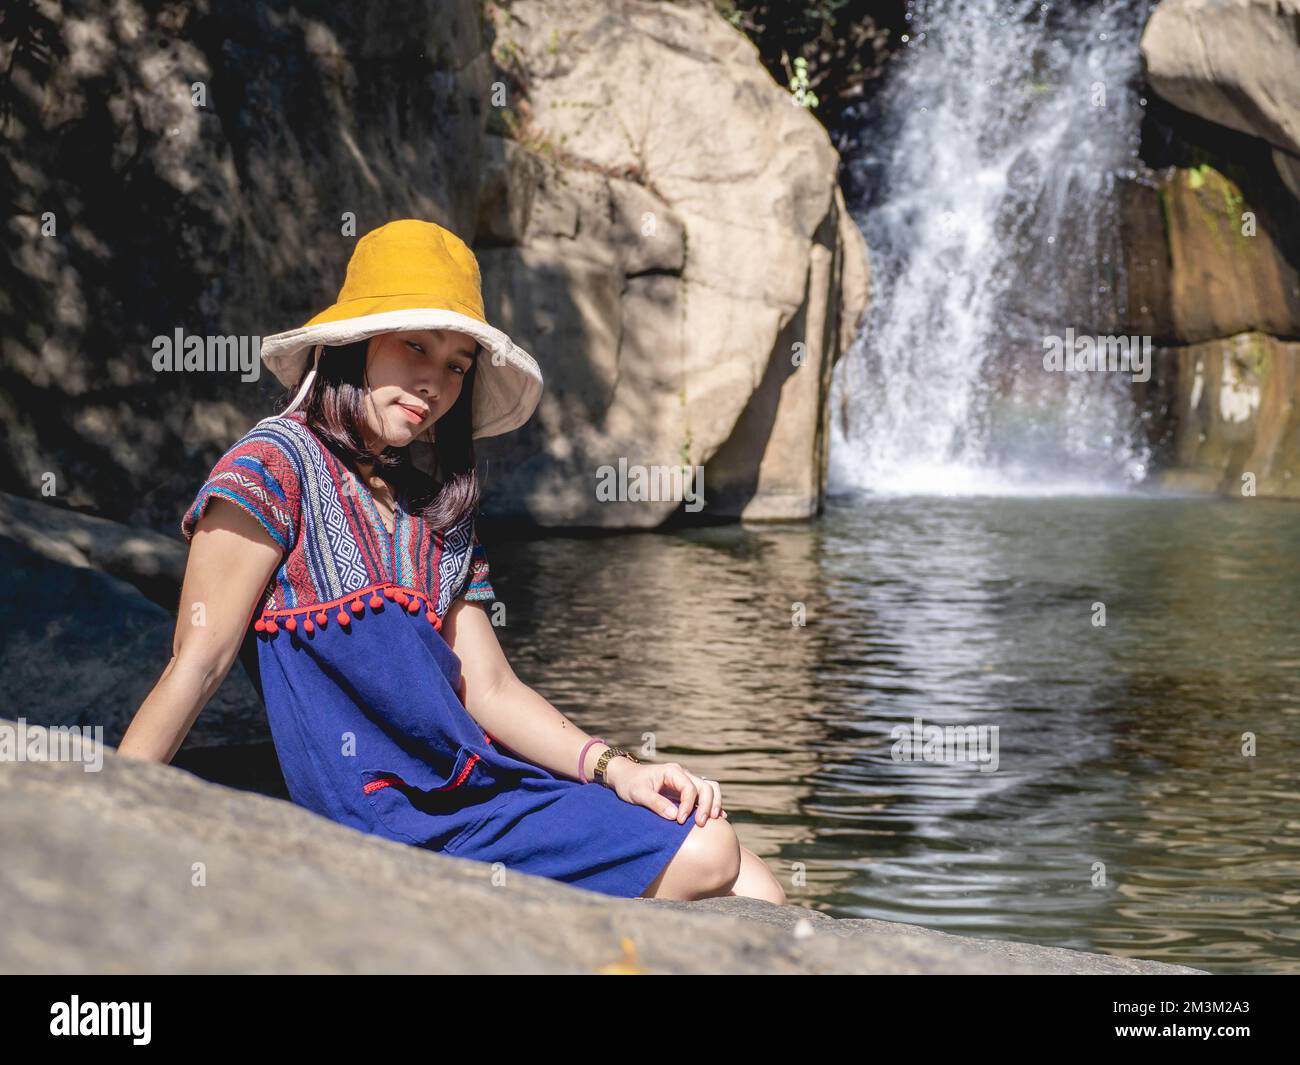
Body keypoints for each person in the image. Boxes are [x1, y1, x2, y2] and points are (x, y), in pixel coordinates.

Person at [119, 219, 786, 905]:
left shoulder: (434, 507)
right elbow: (198, 659)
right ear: (355, 344)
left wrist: (618, 767)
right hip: (388, 819)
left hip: (473, 790)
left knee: (756, 881)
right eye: (416, 345)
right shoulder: (273, 463)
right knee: (711, 850)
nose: (434, 381)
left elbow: (491, 689)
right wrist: (102, 808)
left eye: (457, 364)